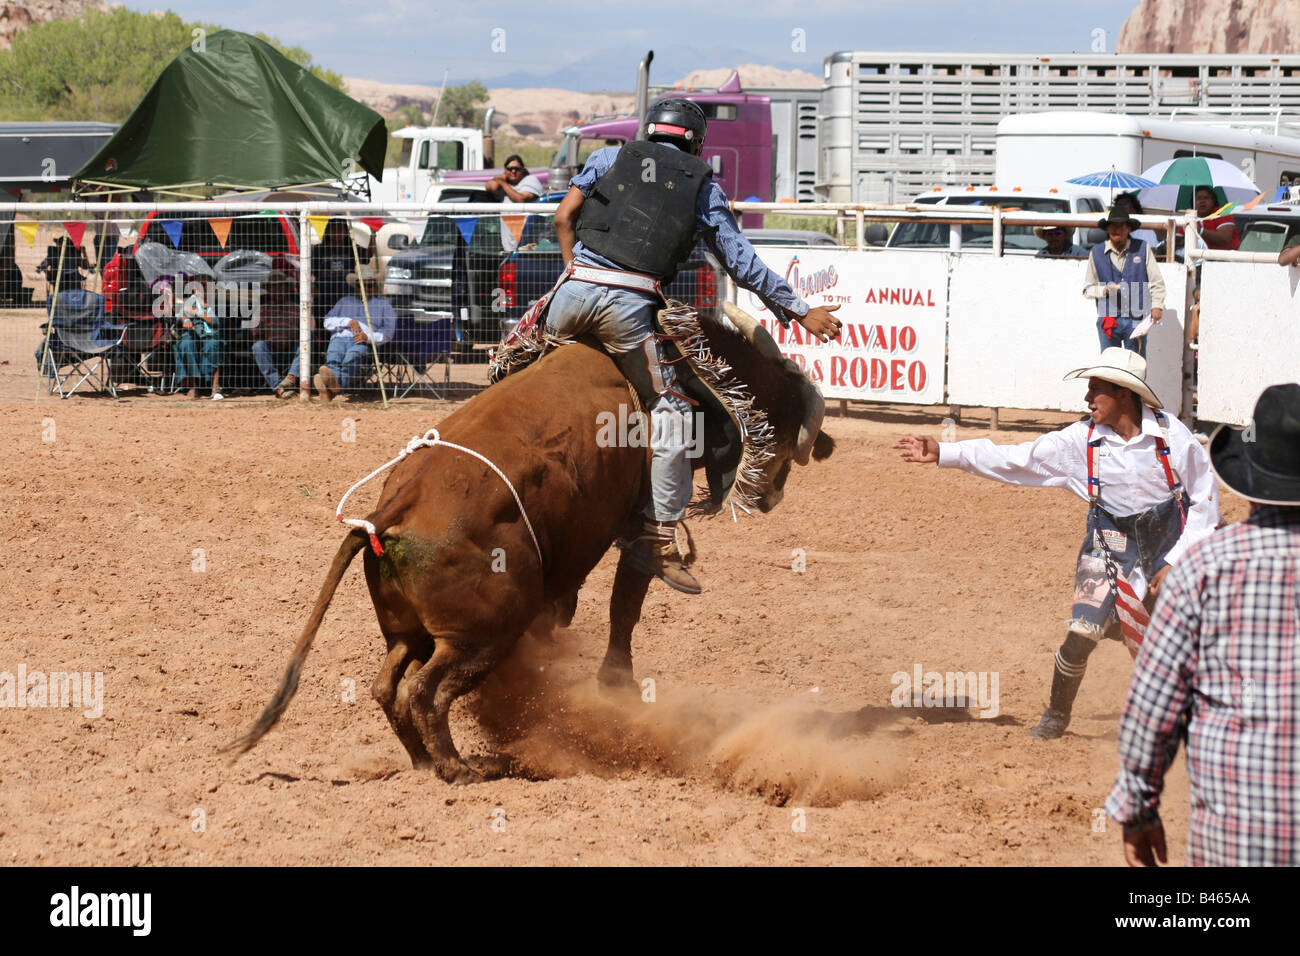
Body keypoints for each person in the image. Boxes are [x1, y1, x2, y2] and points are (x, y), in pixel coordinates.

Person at [545, 97, 842, 594]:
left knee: (517, 360)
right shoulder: (702, 187)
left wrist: (574, 271)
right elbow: (741, 264)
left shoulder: (605, 159)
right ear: (695, 144)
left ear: (649, 131)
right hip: (628, 308)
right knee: (671, 415)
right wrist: (798, 309)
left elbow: (563, 217)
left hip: (567, 296)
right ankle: (658, 540)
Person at [895, 348, 1219, 739]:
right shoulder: (1078, 441)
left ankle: (1197, 708)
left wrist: (1178, 560)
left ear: (1124, 395)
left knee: (1180, 634)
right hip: (1109, 544)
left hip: (1169, 543)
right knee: (1082, 630)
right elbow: (1016, 459)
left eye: (1096, 390)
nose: (1087, 399)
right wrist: (946, 452)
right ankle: (1057, 713)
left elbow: (1205, 499)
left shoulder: (1172, 435)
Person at [1106, 383, 1300, 866]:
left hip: (1239, 836)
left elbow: (1155, 704)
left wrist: (1138, 808)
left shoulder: (1203, 569)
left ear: (1247, 477)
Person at [275, 265, 394, 402]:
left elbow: (388, 333)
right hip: (339, 338)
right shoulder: (344, 301)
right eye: (361, 285)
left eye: (370, 285)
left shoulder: (384, 305)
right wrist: (348, 321)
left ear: (375, 286)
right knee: (333, 357)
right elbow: (327, 322)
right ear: (356, 286)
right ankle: (333, 388)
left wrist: (368, 337)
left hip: (361, 341)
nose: (366, 289)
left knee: (352, 356)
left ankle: (333, 388)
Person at [1083, 205, 1166, 356]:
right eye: (1113, 226)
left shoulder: (1142, 248)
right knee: (1109, 365)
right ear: (1107, 229)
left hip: (1136, 317)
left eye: (1121, 226)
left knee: (1135, 363)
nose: (1117, 230)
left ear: (1128, 228)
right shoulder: (1096, 252)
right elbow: (1087, 288)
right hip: (1108, 317)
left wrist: (1157, 306)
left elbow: (1156, 281)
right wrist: (1105, 290)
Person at [170, 282, 223, 401]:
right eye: (201, 288)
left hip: (210, 334)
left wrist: (197, 312)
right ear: (195, 290)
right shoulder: (188, 301)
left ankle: (215, 386)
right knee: (187, 344)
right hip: (191, 333)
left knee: (213, 344)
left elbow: (216, 322)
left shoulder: (218, 304)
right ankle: (193, 386)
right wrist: (186, 319)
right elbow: (181, 316)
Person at [1192, 185, 1239, 251]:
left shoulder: (1222, 213)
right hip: (1197, 258)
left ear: (1213, 200)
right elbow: (1179, 238)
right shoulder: (1190, 216)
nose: (1202, 201)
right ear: (1193, 202)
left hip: (1225, 258)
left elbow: (1224, 238)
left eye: (1206, 198)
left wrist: (1200, 231)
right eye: (1198, 198)